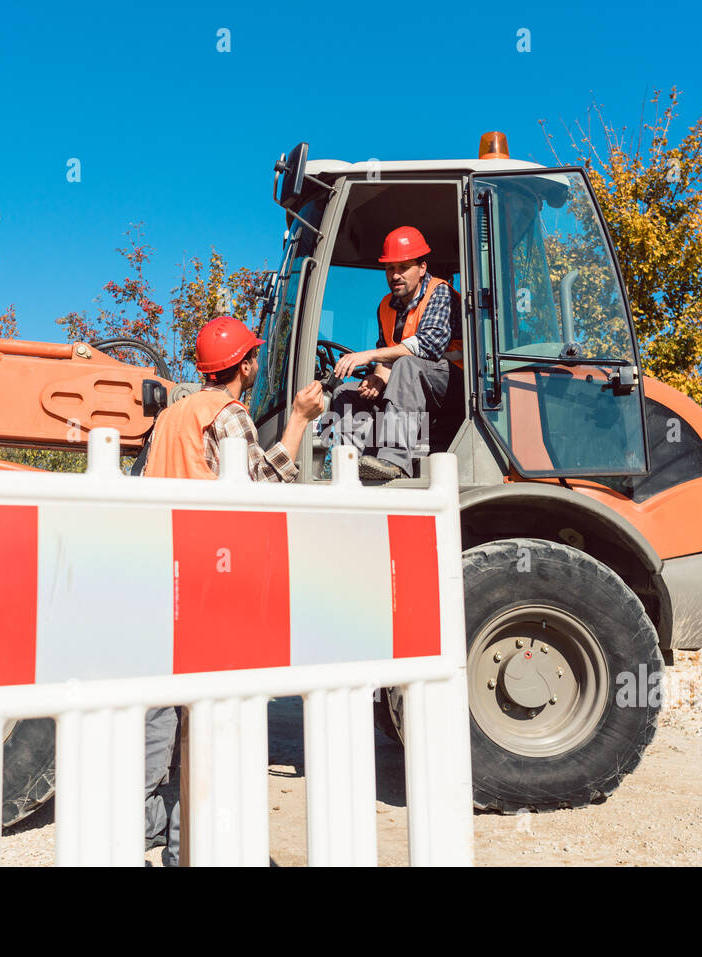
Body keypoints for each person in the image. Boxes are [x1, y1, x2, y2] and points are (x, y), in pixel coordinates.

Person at [140, 315, 325, 865]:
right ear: (243, 365)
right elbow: (256, 491)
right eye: (253, 359)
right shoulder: (229, 415)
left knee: (160, 718)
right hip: (208, 579)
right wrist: (296, 421)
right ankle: (187, 850)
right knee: (207, 727)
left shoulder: (172, 415)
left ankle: (126, 831)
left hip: (164, 573)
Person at [329, 226, 463, 480]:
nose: (395, 275)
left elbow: (428, 346)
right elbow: (387, 352)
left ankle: (394, 461)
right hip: (414, 382)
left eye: (403, 267)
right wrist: (378, 377)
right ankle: (354, 466)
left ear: (422, 268)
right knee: (345, 392)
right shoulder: (386, 305)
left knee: (408, 366)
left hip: (455, 387)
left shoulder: (440, 292)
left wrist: (367, 356)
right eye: (390, 268)